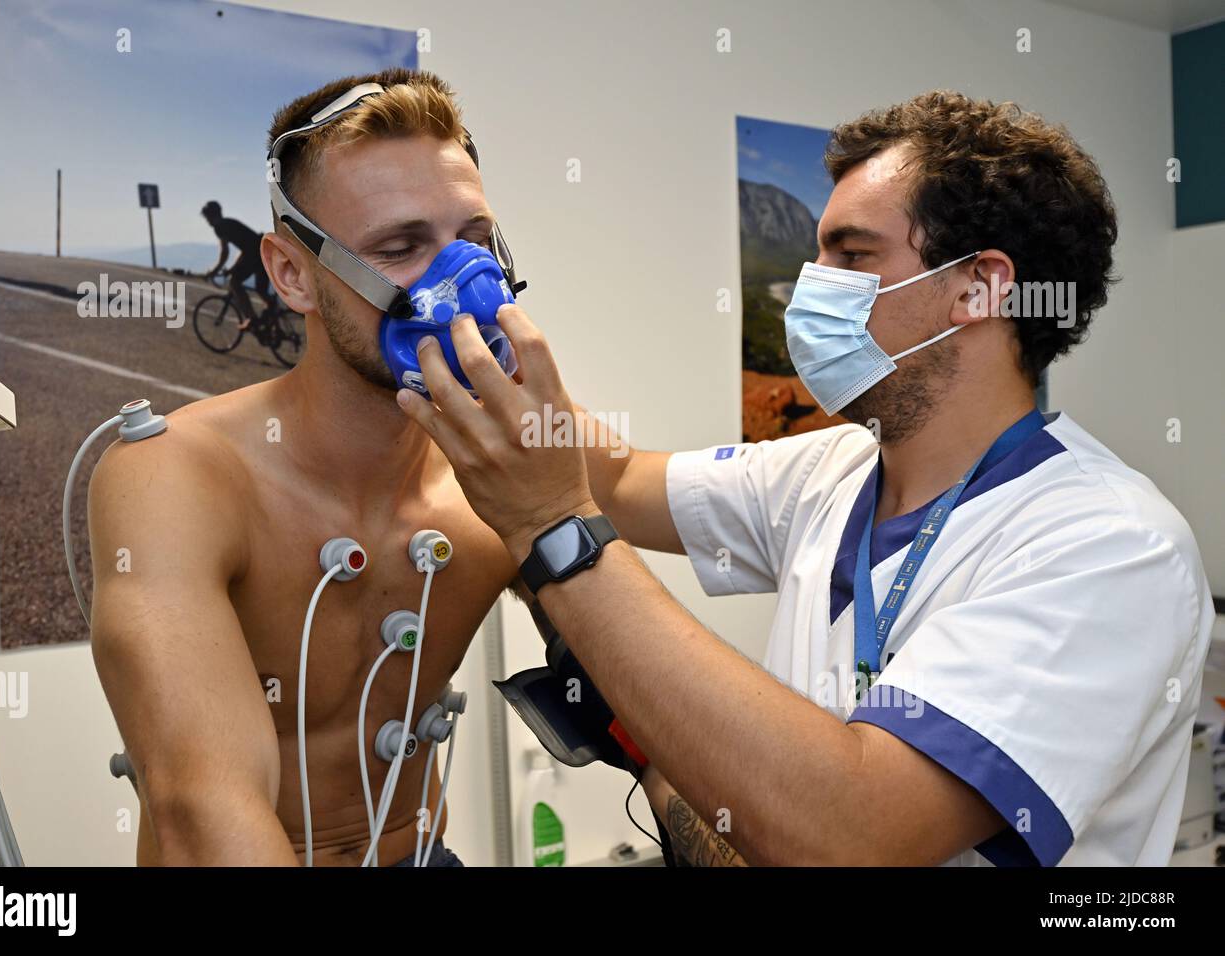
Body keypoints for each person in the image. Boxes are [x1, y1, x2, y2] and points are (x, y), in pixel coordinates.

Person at [398, 91, 1215, 866]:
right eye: (817, 253)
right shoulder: (832, 468)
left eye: (853, 256)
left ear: (981, 285)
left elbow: (851, 836)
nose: (809, 287)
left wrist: (558, 537)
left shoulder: (1106, 546)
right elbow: (608, 478)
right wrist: (478, 333)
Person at [89, 69, 519, 866]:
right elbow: (200, 805)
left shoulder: (500, 467)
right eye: (400, 247)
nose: (460, 283)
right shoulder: (178, 473)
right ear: (293, 274)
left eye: (475, 241)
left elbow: (642, 689)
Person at [201, 200, 271, 332]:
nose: (207, 221)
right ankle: (273, 314)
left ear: (212, 216)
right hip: (262, 251)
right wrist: (233, 268)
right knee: (261, 291)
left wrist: (214, 271)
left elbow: (225, 252)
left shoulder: (219, 227)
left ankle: (251, 318)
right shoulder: (228, 222)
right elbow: (244, 248)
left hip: (254, 255)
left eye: (207, 218)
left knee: (234, 283)